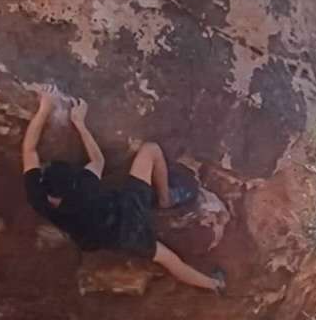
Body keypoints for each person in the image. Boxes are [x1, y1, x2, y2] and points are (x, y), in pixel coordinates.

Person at [21, 86, 226, 292]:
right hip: (127, 211)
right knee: (151, 150)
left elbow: (29, 150)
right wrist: (77, 123)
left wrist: (43, 109)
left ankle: (215, 285)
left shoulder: (38, 197)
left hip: (109, 238)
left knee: (168, 259)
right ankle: (166, 199)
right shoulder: (84, 187)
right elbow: (97, 159)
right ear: (72, 183)